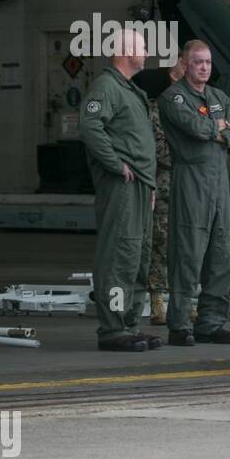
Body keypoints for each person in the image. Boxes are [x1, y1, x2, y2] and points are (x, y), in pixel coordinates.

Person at [79, 29, 160, 351]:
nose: (146, 52)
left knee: (137, 257)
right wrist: (115, 164)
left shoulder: (128, 89)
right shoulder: (107, 87)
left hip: (140, 185)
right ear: (127, 51)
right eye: (142, 47)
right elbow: (90, 125)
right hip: (123, 186)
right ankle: (113, 330)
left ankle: (129, 324)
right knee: (119, 256)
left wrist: (149, 183)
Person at [157, 40, 230, 346]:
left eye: (207, 62)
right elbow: (194, 127)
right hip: (191, 179)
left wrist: (220, 129)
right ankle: (179, 324)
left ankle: (211, 323)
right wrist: (216, 128)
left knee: (222, 259)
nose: (204, 67)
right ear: (184, 63)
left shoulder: (217, 96)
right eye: (197, 62)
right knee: (188, 255)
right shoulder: (173, 96)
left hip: (219, 182)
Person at [141, 52, 186, 325]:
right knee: (160, 242)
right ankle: (157, 299)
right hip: (164, 181)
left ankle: (183, 299)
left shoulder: (195, 107)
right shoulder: (154, 109)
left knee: (185, 243)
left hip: (187, 182)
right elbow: (155, 149)